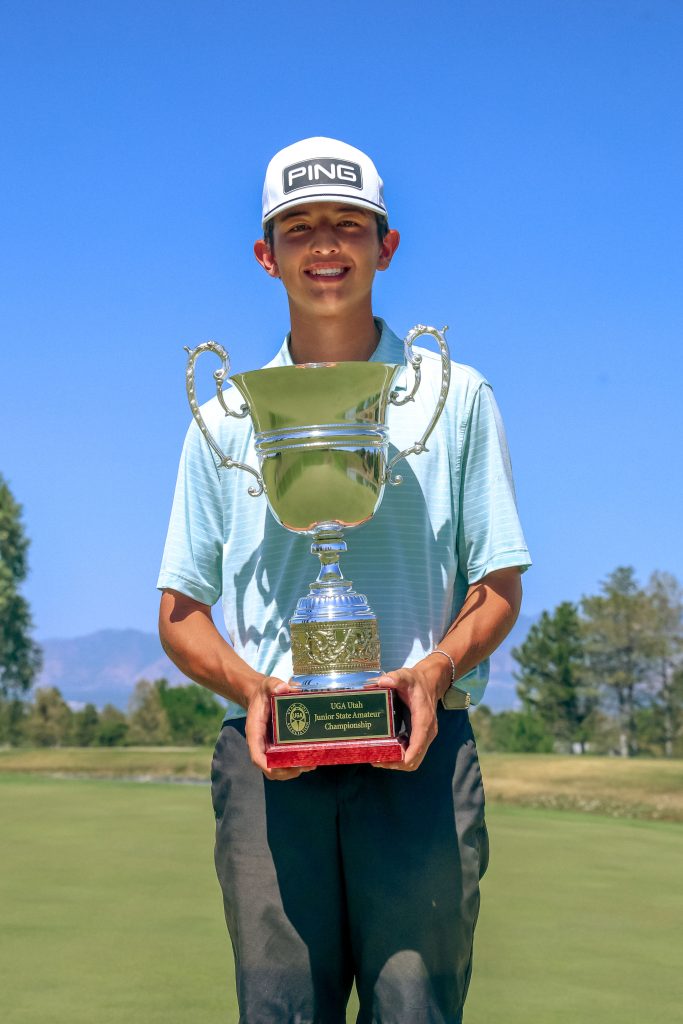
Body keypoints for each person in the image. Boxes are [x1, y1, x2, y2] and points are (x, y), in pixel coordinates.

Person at [158, 137, 531, 1024]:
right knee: (280, 1013)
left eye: (346, 224)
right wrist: (255, 691)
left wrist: (432, 671)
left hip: (420, 750)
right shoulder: (221, 417)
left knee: (415, 1011)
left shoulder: (456, 393)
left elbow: (499, 583)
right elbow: (181, 614)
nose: (324, 245)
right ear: (266, 254)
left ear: (385, 244)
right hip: (265, 759)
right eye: (299, 227)